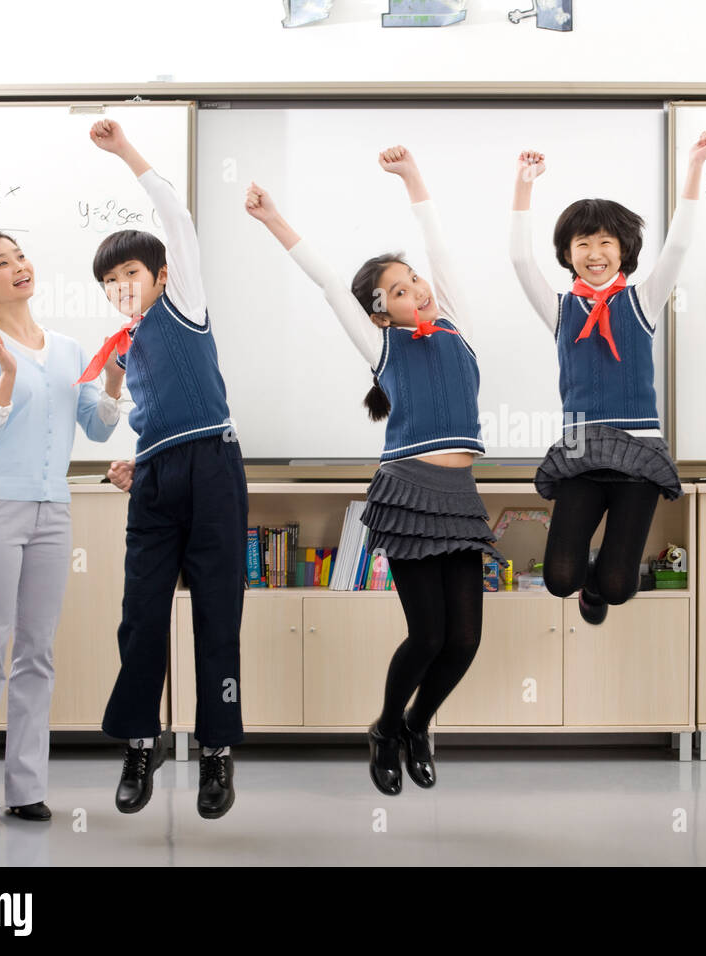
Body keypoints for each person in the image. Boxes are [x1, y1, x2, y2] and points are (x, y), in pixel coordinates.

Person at [245, 145, 503, 796]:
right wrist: (275, 220)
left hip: (461, 497)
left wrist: (414, 177)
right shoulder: (381, 343)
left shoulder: (460, 330)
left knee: (465, 642)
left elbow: (439, 249)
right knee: (428, 635)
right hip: (410, 493)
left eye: (410, 278)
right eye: (393, 289)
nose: (412, 287)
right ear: (379, 313)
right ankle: (386, 728)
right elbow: (331, 283)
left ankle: (416, 723)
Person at [85, 119, 247, 819]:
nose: (122, 286)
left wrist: (125, 150)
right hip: (152, 481)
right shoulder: (120, 346)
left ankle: (216, 754)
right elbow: (115, 416)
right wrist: (133, 454)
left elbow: (175, 216)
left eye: (130, 274)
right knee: (140, 617)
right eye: (110, 281)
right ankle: (140, 742)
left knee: (217, 615)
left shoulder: (185, 306)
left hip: (213, 468)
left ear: (160, 276)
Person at [509, 130, 706, 625]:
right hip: (582, 452)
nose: (595, 251)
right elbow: (519, 259)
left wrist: (694, 166)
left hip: (638, 454)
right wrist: (524, 186)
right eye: (584, 242)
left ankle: (599, 591)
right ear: (568, 253)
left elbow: (681, 243)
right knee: (559, 577)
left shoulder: (641, 301)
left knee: (620, 588)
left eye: (606, 241)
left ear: (624, 251)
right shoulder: (561, 310)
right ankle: (582, 586)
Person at [0, 231, 123, 827]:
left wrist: (114, 375)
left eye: (21, 255)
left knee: (36, 653)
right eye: (2, 263)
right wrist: (5, 373)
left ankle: (26, 787)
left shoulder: (70, 349)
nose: (20, 267)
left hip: (52, 511)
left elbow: (99, 430)